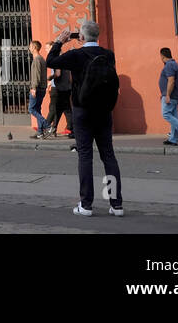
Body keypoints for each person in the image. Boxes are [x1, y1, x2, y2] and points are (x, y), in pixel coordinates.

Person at [46, 21, 124, 217]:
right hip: (104, 110)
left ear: (80, 37)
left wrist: (58, 42)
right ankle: (116, 204)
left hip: (82, 111)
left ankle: (86, 204)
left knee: (85, 156)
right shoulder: (108, 54)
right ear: (97, 36)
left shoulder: (76, 55)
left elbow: (50, 61)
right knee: (108, 156)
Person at [44, 62, 74, 138]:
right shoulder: (67, 62)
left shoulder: (58, 61)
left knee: (57, 110)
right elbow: (70, 77)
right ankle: (71, 129)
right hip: (67, 88)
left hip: (60, 89)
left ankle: (51, 128)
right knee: (67, 110)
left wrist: (50, 78)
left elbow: (58, 74)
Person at [28, 40, 48, 137]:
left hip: (37, 88)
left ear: (35, 48)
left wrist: (34, 88)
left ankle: (47, 125)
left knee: (31, 109)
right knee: (37, 109)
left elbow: (36, 75)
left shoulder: (36, 60)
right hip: (42, 88)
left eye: (30, 46)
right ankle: (40, 132)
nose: (29, 48)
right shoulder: (42, 59)